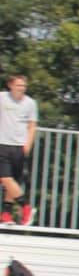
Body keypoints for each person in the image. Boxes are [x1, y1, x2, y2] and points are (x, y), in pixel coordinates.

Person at [0, 73, 39, 227]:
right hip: (2, 143)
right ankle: (26, 206)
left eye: (23, 86)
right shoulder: (2, 98)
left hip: (19, 146)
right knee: (5, 178)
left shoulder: (30, 103)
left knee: (12, 181)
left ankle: (6, 213)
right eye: (18, 85)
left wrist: (28, 144)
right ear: (10, 85)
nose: (21, 88)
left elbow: (32, 125)